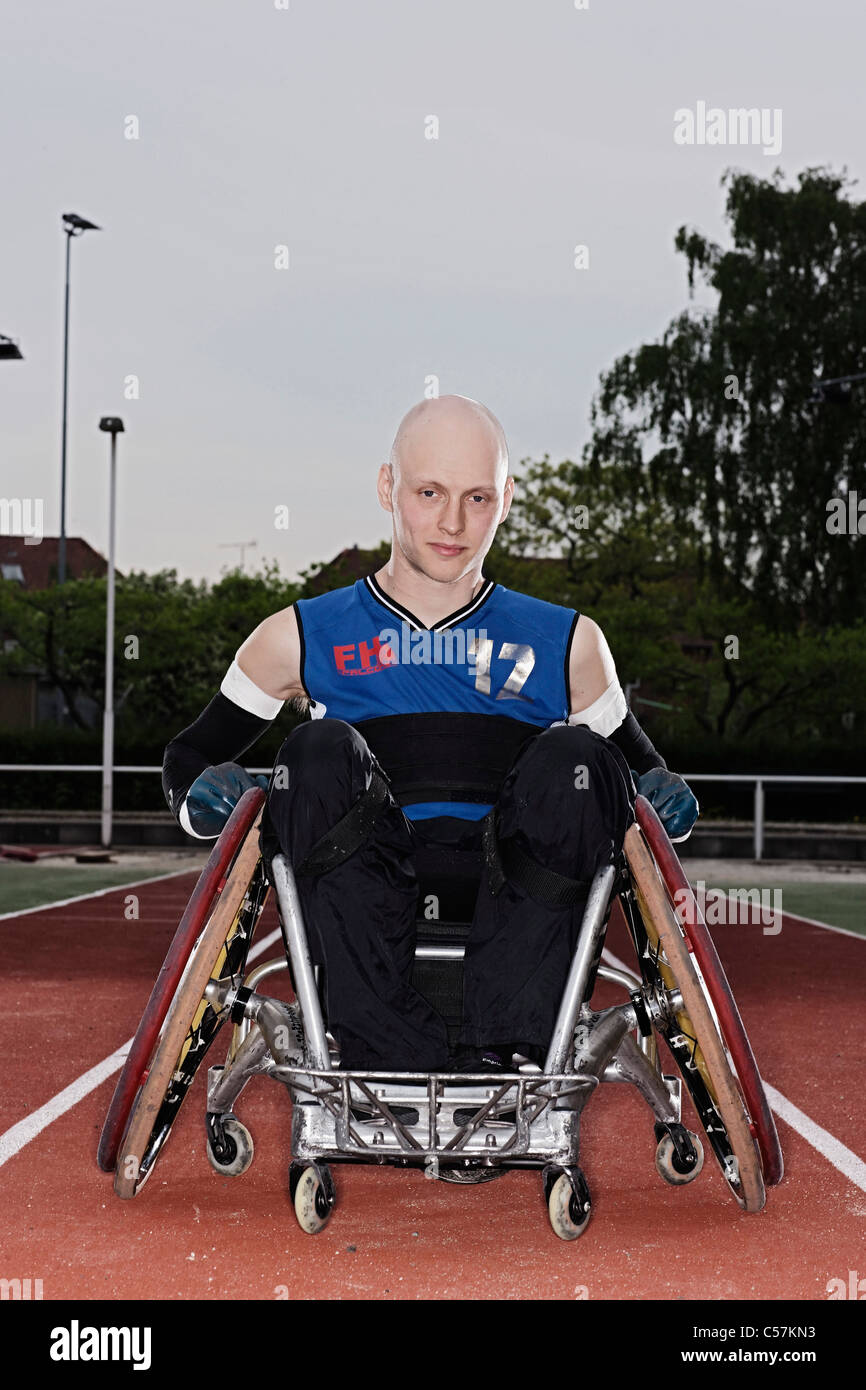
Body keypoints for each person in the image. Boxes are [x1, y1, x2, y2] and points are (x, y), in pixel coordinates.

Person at [162, 395, 698, 1075]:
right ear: (388, 487)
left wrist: (664, 794)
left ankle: (507, 1048)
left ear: (506, 499)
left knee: (580, 759)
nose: (453, 523)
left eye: (477, 498)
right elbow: (190, 753)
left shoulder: (569, 643)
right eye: (429, 493)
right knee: (315, 751)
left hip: (514, 879)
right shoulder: (299, 635)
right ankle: (384, 1049)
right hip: (367, 875)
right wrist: (200, 794)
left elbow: (644, 775)